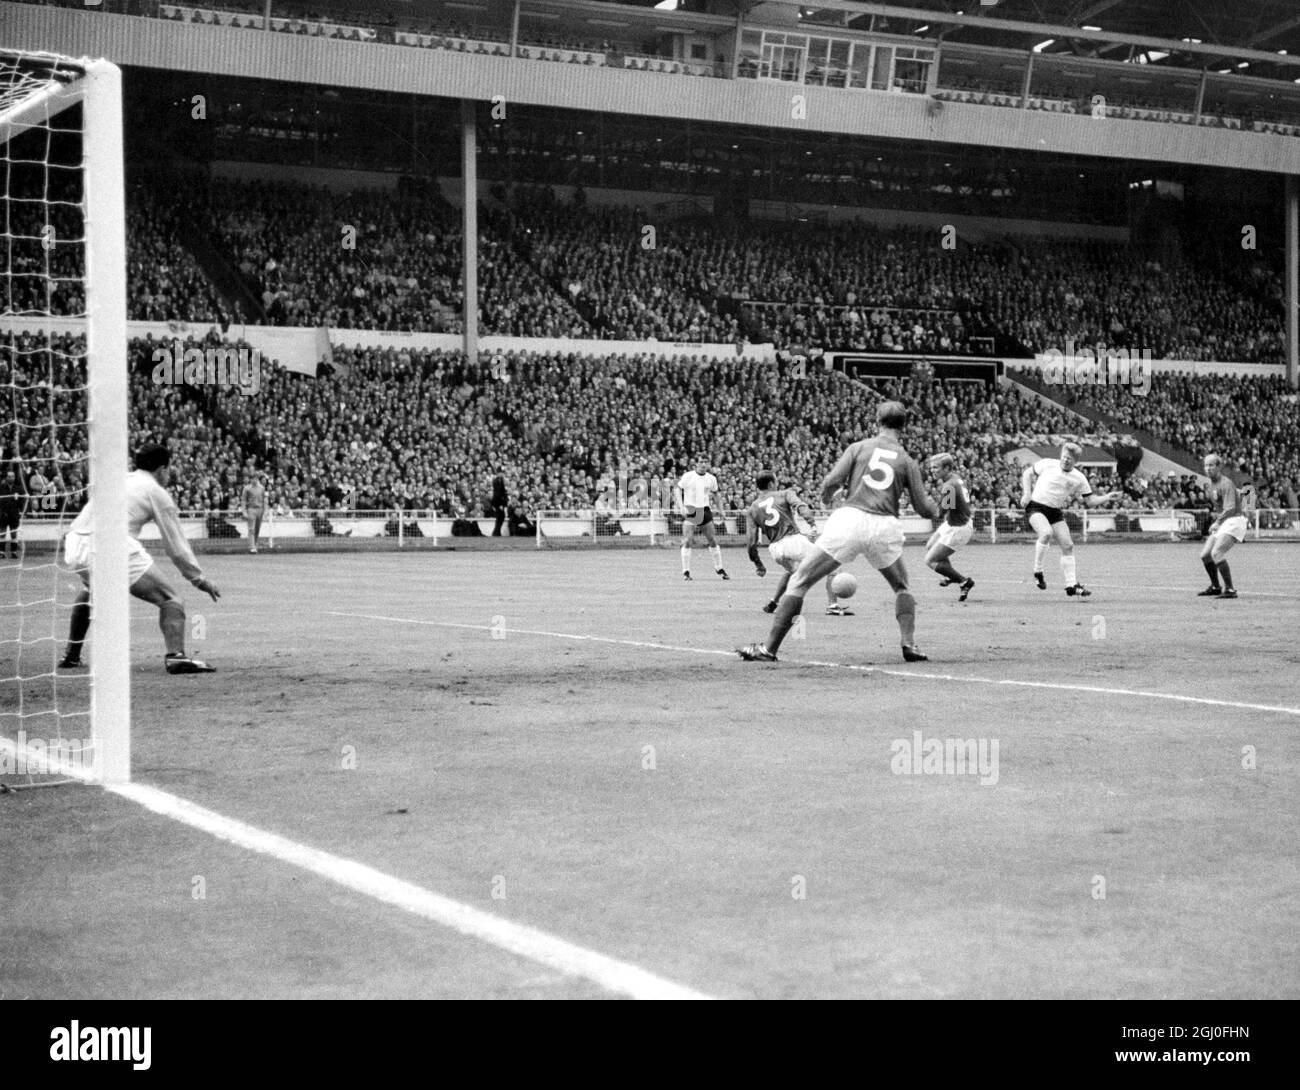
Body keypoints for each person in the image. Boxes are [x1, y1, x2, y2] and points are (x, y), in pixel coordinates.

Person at [737, 401, 941, 664]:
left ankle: (768, 649)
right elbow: (924, 508)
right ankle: (909, 644)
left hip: (851, 519)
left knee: (799, 581)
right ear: (904, 425)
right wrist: (941, 509)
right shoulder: (907, 460)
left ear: (876, 420)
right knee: (902, 587)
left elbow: (831, 481)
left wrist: (828, 496)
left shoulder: (859, 448)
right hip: (884, 525)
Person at [59, 443, 219, 674]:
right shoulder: (156, 492)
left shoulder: (120, 479)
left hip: (74, 542)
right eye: (169, 468)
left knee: (91, 592)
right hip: (110, 543)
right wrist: (199, 579)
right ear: (162, 469)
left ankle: (71, 656)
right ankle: (176, 657)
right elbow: (176, 546)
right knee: (171, 599)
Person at [1021, 442, 1123, 598]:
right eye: (1064, 457)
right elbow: (1027, 473)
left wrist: (1108, 497)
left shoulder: (1079, 477)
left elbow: (1090, 501)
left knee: (1068, 545)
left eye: (1069, 459)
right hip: (1036, 507)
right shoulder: (1048, 464)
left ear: (1076, 461)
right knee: (1046, 533)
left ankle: (1071, 585)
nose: (1065, 460)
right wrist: (1026, 494)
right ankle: (1038, 571)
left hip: (1054, 511)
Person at [743, 472, 843, 615]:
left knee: (792, 572)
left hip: (776, 549)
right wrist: (812, 524)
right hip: (793, 542)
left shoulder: (752, 508)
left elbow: (751, 542)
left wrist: (758, 564)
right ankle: (833, 606)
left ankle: (773, 602)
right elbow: (800, 506)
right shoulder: (785, 494)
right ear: (771, 483)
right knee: (833, 564)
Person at [1197, 455, 1255, 599]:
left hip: (1234, 519)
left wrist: (1217, 522)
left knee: (1217, 553)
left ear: (1219, 466)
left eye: (1211, 465)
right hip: (1225, 520)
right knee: (1205, 555)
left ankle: (1230, 590)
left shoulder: (1227, 482)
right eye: (1206, 465)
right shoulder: (1211, 485)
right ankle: (1216, 586)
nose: (1208, 468)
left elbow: (1230, 507)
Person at [924, 453, 975, 602]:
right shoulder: (955, 478)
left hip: (958, 528)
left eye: (936, 467)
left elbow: (940, 512)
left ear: (946, 468)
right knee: (930, 546)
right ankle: (949, 575)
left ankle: (964, 582)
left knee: (930, 560)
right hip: (953, 522)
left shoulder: (949, 486)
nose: (932, 470)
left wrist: (924, 505)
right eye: (931, 467)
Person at [676, 455, 728, 580]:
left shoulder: (711, 479)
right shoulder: (688, 476)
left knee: (713, 540)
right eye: (701, 462)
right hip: (691, 509)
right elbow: (678, 489)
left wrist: (721, 510)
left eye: (706, 462)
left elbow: (716, 495)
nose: (703, 464)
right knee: (688, 540)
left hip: (704, 510)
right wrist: (681, 506)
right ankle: (686, 572)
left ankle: (719, 568)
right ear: (696, 464)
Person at [241, 471, 267, 553]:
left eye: (255, 478)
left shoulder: (262, 488)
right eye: (252, 478)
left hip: (260, 509)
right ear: (250, 479)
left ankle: (254, 545)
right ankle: (252, 547)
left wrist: (265, 510)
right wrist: (244, 511)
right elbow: (243, 500)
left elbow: (264, 500)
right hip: (251, 509)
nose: (254, 480)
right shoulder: (247, 488)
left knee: (257, 529)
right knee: (251, 529)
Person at [0, 468, 22, 559]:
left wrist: (23, 512)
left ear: (15, 477)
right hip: (3, 514)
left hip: (14, 514)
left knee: (14, 533)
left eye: (12, 476)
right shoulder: (1, 488)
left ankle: (13, 552)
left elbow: (22, 501)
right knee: (2, 533)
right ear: (6, 478)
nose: (11, 478)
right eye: (9, 476)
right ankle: (1, 552)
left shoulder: (18, 488)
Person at [491, 472, 508, 537]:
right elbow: (497, 494)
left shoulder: (500, 480)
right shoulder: (497, 481)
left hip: (499, 502)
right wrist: (500, 504)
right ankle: (496, 532)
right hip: (498, 503)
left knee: (500, 517)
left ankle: (497, 531)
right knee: (500, 517)